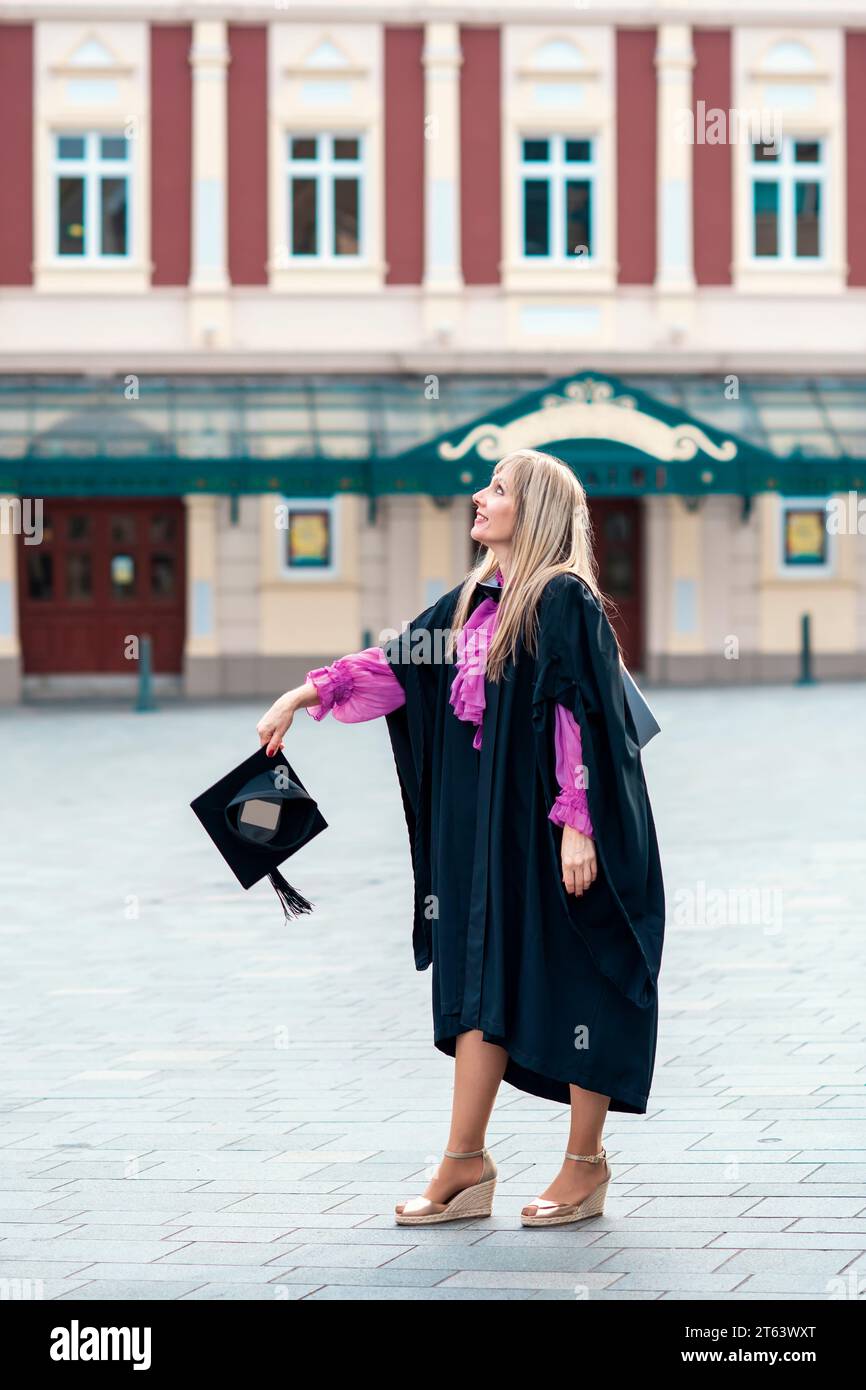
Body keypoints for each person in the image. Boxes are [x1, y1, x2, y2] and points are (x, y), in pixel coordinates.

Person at [256, 448, 665, 1228]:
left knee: (580, 973)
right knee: (478, 975)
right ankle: (464, 1161)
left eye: (498, 490)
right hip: (484, 834)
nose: (479, 498)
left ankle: (585, 1166)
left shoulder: (563, 601)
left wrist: (579, 825)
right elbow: (397, 666)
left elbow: (579, 713)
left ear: (532, 512)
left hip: (557, 828)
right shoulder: (471, 601)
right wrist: (301, 695)